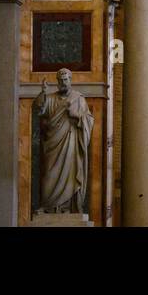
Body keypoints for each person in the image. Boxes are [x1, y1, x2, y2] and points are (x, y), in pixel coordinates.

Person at [34, 68, 94, 214]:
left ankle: (68, 207)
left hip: (70, 143)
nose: (63, 82)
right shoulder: (50, 98)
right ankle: (47, 206)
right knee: (48, 176)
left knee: (70, 175)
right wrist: (43, 92)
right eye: (60, 80)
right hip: (52, 145)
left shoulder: (78, 98)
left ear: (70, 80)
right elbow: (39, 110)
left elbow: (89, 120)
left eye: (66, 79)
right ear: (57, 81)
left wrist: (77, 115)